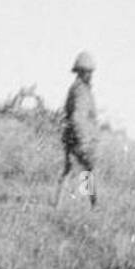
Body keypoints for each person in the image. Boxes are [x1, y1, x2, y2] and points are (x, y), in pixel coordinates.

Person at [54, 50, 99, 208]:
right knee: (84, 172)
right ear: (81, 72)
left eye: (90, 72)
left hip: (74, 137)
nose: (90, 75)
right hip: (79, 138)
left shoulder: (79, 89)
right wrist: (84, 141)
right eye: (87, 72)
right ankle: (90, 205)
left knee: (73, 171)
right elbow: (77, 118)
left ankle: (61, 205)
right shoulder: (80, 91)